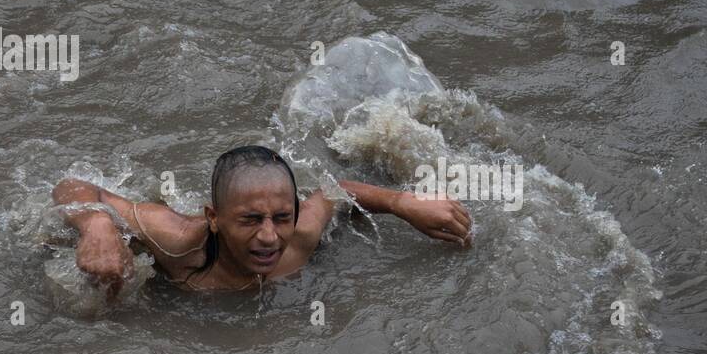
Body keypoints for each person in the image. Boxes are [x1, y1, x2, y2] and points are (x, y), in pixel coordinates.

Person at [52, 145, 471, 296]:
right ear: (213, 218)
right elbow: (74, 185)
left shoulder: (301, 235)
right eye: (251, 220)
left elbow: (334, 192)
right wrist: (97, 227)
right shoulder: (175, 240)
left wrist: (404, 202)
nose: (270, 237)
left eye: (279, 218)